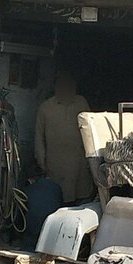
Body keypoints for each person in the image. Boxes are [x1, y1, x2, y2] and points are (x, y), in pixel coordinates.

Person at [34, 70, 92, 203]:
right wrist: (42, 162)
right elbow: (39, 138)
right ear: (56, 87)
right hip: (55, 164)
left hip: (79, 162)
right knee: (58, 197)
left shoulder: (81, 103)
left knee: (81, 198)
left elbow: (90, 130)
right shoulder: (45, 108)